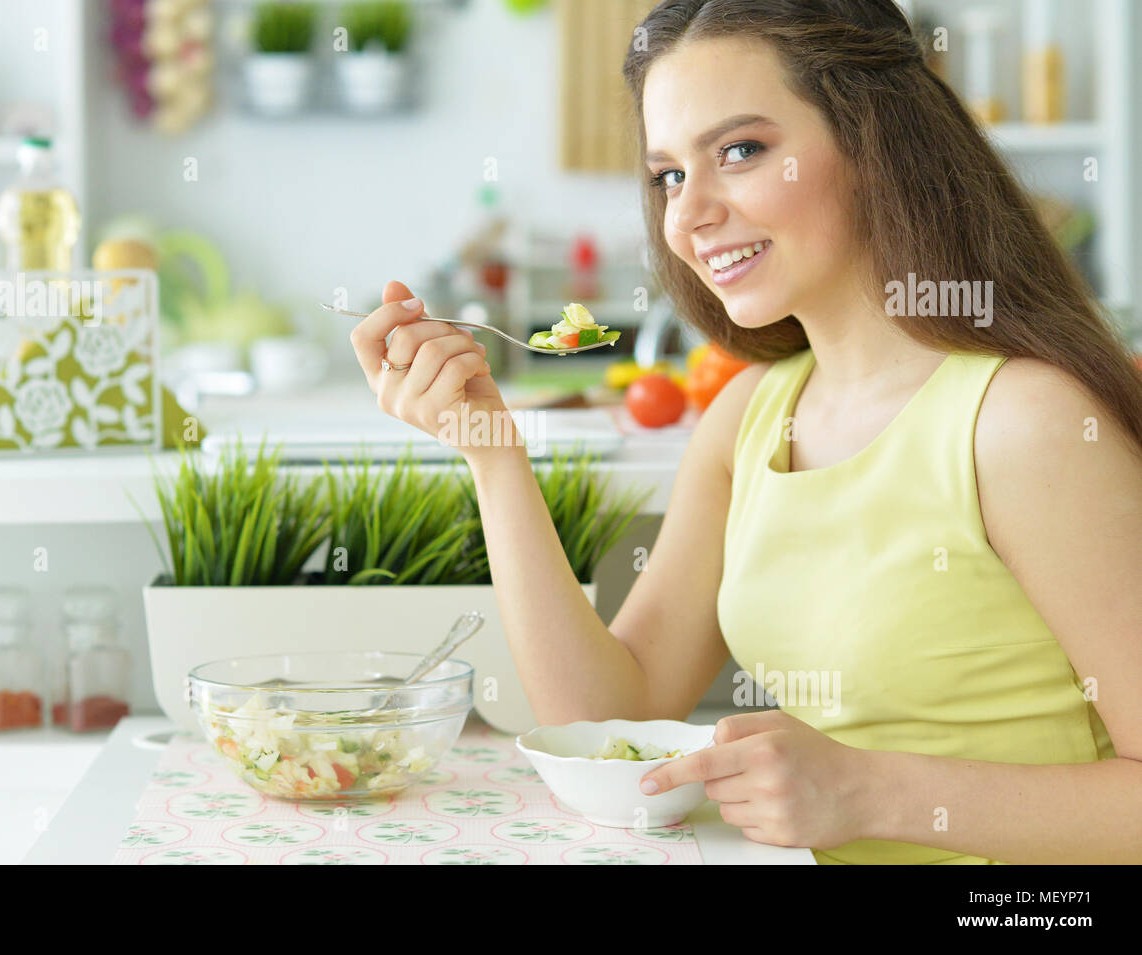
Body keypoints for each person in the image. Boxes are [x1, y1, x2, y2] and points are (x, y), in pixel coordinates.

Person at [348, 0, 1142, 864]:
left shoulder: (1025, 423)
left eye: (739, 151)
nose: (686, 217)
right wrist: (490, 451)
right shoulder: (753, 414)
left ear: (875, 145)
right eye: (668, 176)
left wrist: (868, 790)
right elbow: (606, 718)